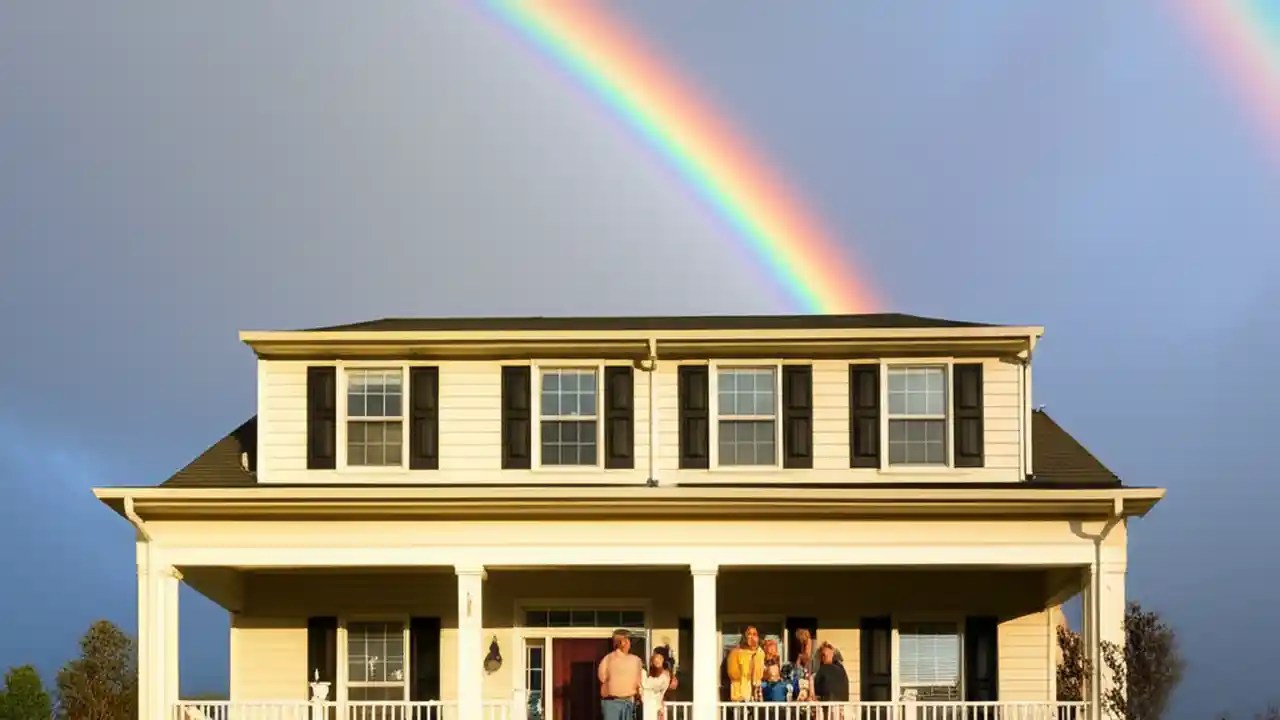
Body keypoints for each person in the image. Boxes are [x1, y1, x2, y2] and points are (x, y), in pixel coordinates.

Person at [598, 629, 644, 720]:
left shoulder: (636, 660)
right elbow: (602, 678)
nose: (628, 643)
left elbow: (640, 680)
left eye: (628, 640)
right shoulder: (608, 659)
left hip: (629, 701)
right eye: (626, 639)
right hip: (612, 702)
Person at [725, 626, 765, 702]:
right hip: (740, 695)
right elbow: (733, 674)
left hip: (756, 694)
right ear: (744, 637)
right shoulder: (735, 653)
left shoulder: (760, 653)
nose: (751, 637)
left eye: (754, 634)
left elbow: (761, 674)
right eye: (749, 634)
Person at [640, 651, 673, 720]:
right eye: (656, 658)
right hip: (645, 707)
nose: (657, 660)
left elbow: (651, 685)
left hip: (655, 707)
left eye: (660, 658)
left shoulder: (665, 675)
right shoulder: (649, 674)